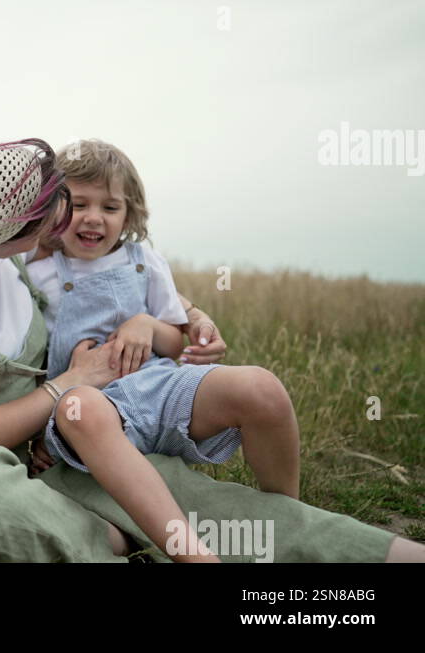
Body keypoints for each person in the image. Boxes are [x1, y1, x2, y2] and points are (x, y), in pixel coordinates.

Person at [0, 134, 423, 562]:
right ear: (6, 228)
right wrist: (67, 387)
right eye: (46, 224)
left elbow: (123, 277)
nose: (64, 229)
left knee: (184, 494)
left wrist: (191, 316)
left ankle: (380, 554)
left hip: (46, 447)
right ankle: (107, 536)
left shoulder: (11, 258)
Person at [24, 139, 299, 562]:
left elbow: (174, 341)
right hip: (87, 409)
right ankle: (185, 551)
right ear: (54, 207)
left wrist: (147, 324)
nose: (93, 218)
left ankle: (291, 524)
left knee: (261, 388)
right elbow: (32, 364)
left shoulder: (145, 263)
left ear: (130, 214)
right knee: (83, 408)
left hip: (157, 389)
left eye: (110, 207)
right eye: (78, 204)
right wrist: (37, 432)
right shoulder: (38, 272)